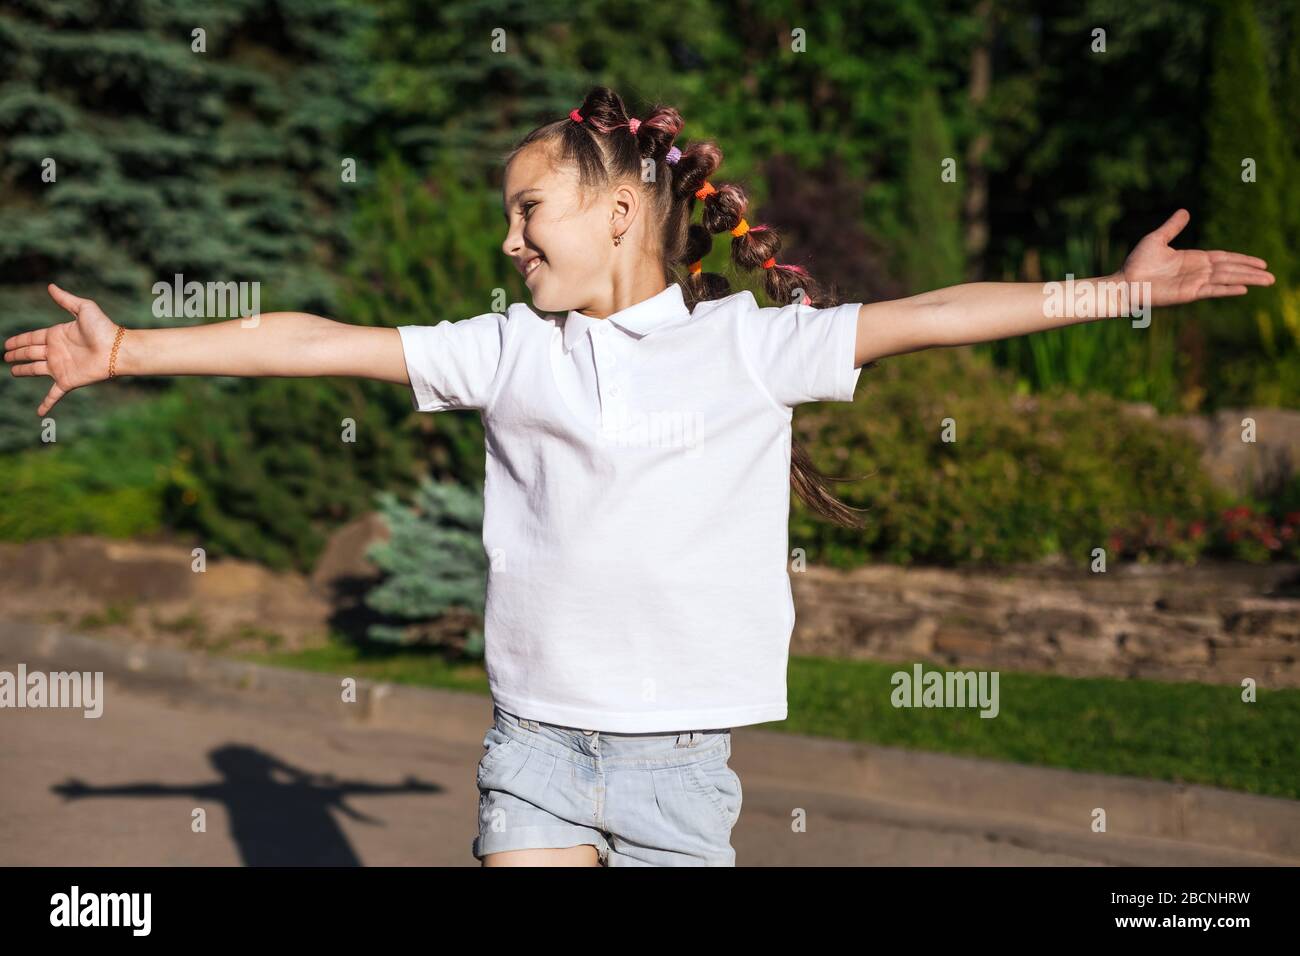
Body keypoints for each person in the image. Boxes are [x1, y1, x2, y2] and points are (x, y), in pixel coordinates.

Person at [4, 85, 1274, 867]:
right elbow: (317, 341)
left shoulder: (750, 346)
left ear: (619, 211)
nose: (506, 241)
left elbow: (939, 310)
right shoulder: (507, 350)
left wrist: (1118, 290)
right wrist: (131, 349)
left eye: (527, 211)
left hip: (679, 766)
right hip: (537, 745)